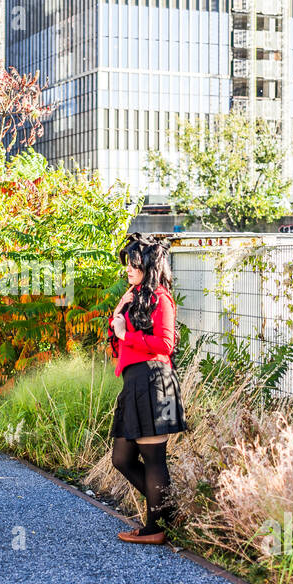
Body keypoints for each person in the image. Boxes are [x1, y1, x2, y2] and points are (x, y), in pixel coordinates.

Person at [106, 232, 187, 545]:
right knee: (122, 458)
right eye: (127, 264)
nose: (128, 269)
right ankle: (167, 511)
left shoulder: (161, 299)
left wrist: (126, 334)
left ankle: (155, 528)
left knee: (154, 460)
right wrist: (120, 312)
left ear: (150, 266)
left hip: (154, 381)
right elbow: (118, 335)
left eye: (135, 265)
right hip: (135, 381)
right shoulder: (136, 296)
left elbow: (165, 343)